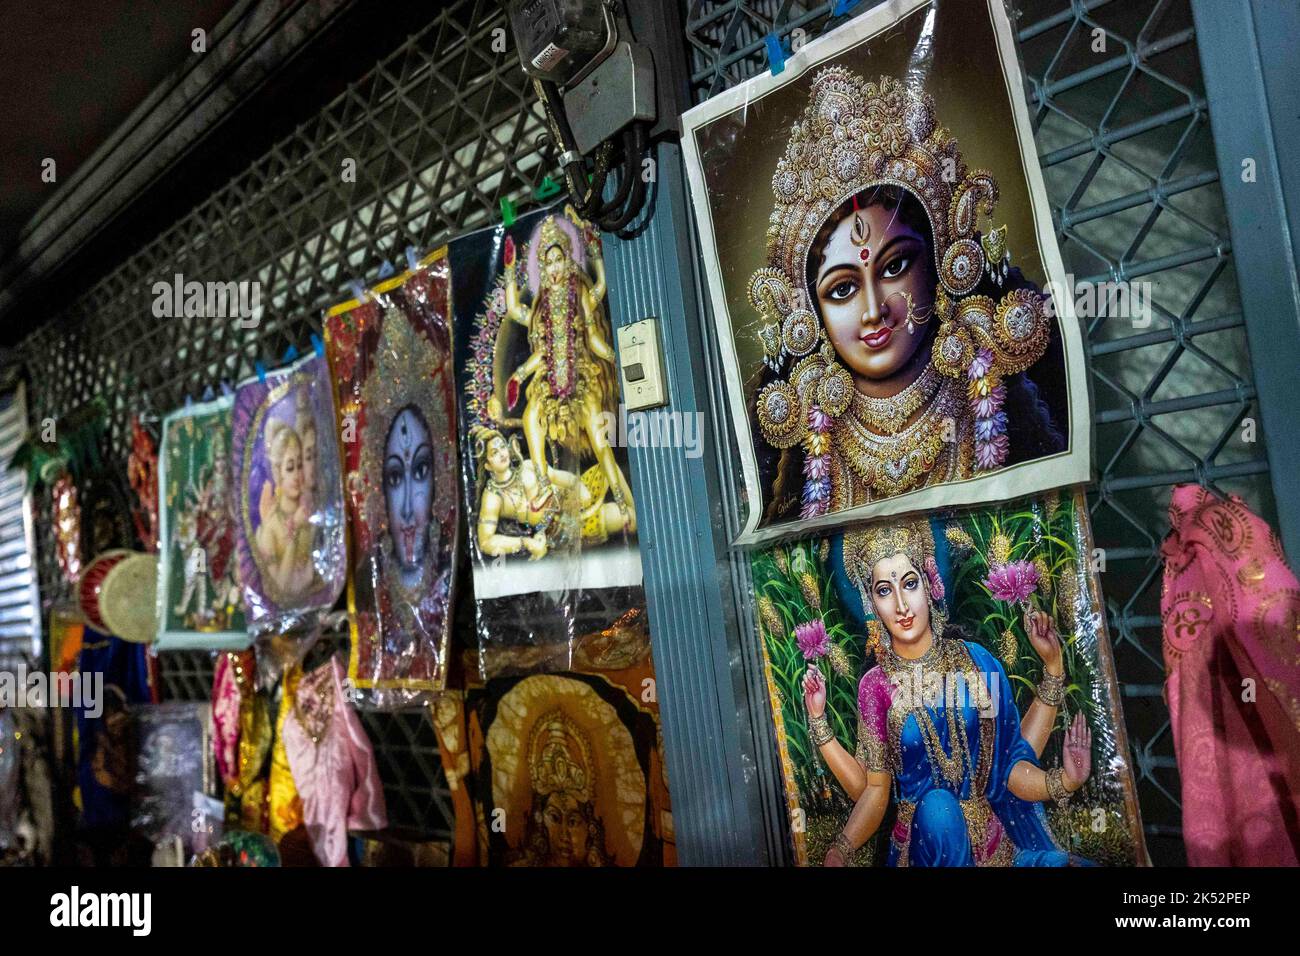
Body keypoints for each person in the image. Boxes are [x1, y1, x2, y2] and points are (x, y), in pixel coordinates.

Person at [752, 69, 1063, 521]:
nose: (875, 311)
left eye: (895, 266)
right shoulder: (805, 447)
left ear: (940, 261)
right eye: (842, 289)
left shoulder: (996, 389)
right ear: (811, 314)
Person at [802, 519, 1091, 866]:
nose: (901, 605)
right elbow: (875, 790)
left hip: (993, 851)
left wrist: (1064, 781)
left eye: (909, 584)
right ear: (871, 604)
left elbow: (1008, 767)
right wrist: (842, 849)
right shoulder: (875, 686)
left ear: (929, 584)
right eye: (883, 590)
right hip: (924, 847)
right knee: (939, 811)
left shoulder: (977, 662)